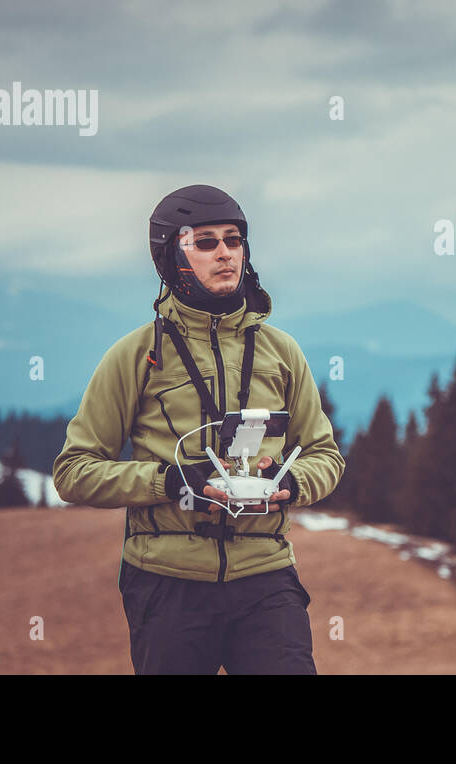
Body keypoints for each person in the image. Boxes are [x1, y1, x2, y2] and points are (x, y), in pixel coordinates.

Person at [52, 184, 345, 674]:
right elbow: (73, 471)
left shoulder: (282, 352)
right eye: (205, 242)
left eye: (234, 239)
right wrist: (170, 480)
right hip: (167, 584)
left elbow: (326, 455)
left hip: (266, 575)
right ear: (172, 257)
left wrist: (291, 483)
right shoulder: (135, 355)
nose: (225, 253)